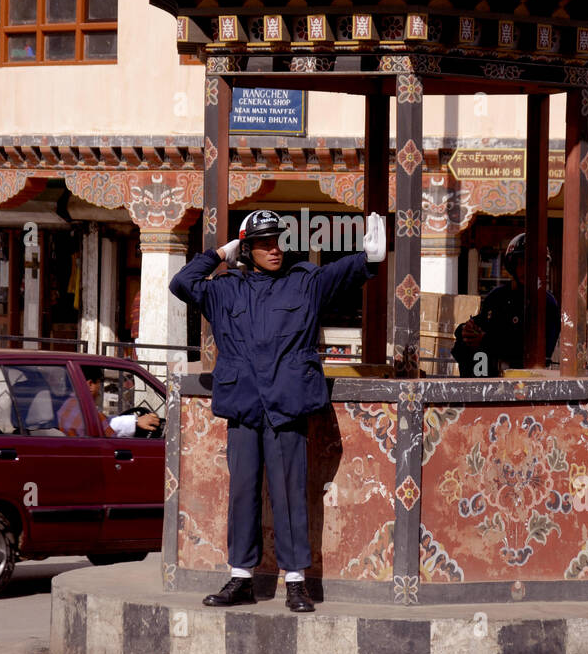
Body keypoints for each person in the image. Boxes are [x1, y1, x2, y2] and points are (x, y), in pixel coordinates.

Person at [170, 208, 386, 613]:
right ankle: (241, 578)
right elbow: (182, 283)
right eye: (264, 243)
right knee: (243, 494)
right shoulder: (223, 290)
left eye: (278, 241)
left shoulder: (303, 282)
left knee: (290, 494)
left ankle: (296, 582)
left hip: (286, 405)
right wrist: (219, 253)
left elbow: (341, 275)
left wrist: (369, 259)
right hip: (245, 406)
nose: (274, 249)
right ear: (247, 249)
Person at [452, 232, 560, 377]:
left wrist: (486, 340)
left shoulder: (546, 303)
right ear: (512, 265)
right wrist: (466, 330)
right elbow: (482, 322)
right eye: (521, 263)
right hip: (487, 375)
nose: (526, 270)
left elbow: (539, 351)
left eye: (532, 264)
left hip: (524, 380)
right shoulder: (497, 296)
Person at [58, 365, 161, 437]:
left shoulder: (69, 406)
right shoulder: (84, 413)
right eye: (99, 384)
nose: (99, 392)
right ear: (90, 385)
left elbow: (107, 422)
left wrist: (135, 421)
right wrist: (136, 422)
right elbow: (109, 436)